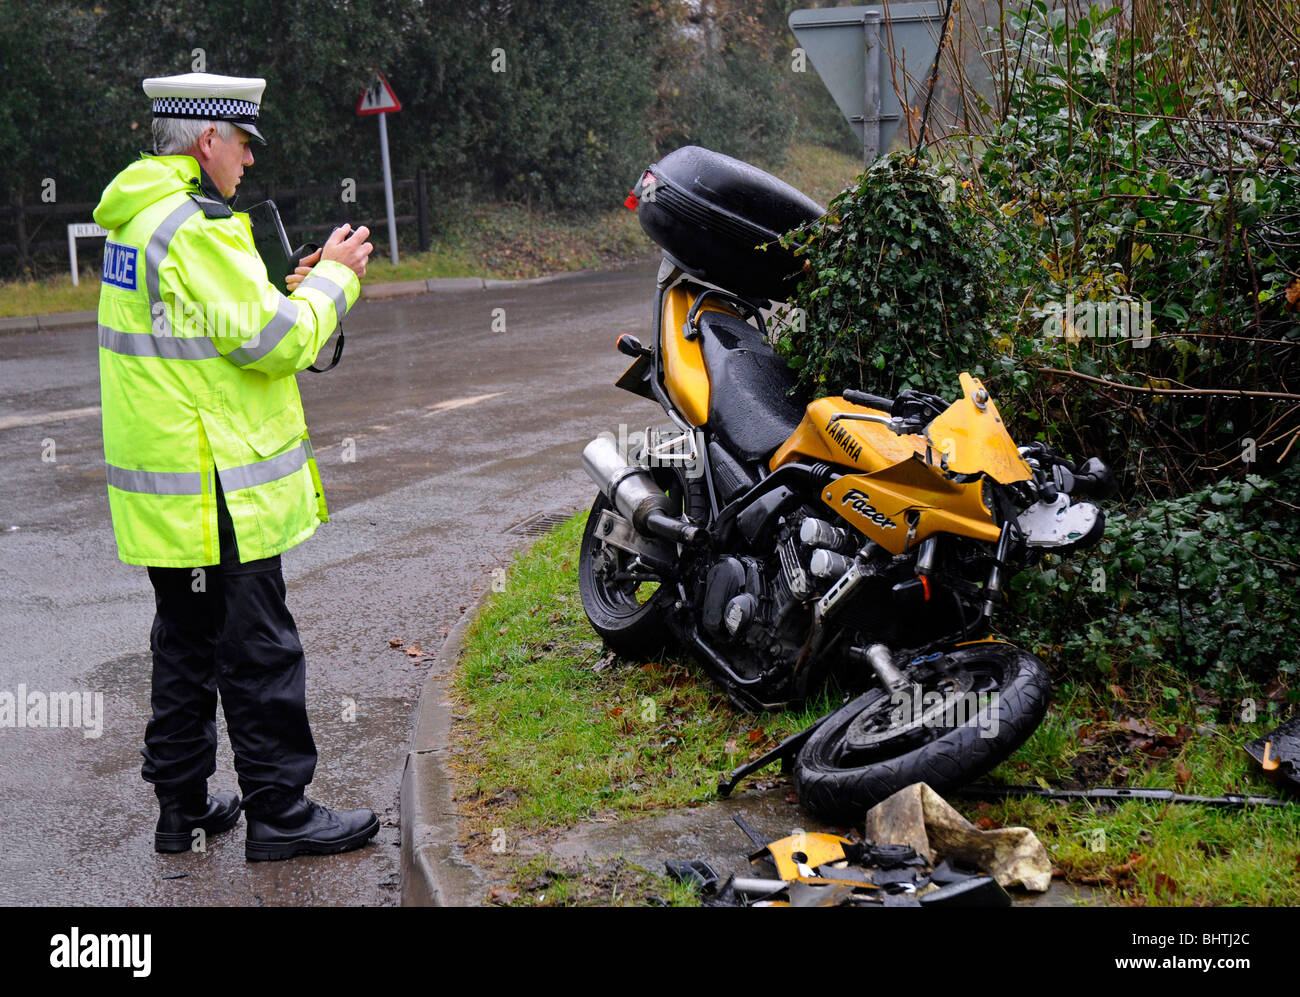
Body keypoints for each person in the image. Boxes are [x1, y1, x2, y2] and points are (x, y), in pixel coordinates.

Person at [94, 72, 378, 861]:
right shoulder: (197, 226)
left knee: (184, 643)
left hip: (167, 486)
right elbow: (275, 343)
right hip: (216, 480)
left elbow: (209, 326)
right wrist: (334, 282)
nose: (249, 161)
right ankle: (281, 814)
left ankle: (179, 807)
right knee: (259, 649)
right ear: (207, 140)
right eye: (244, 144)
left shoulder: (140, 216)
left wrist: (285, 289)